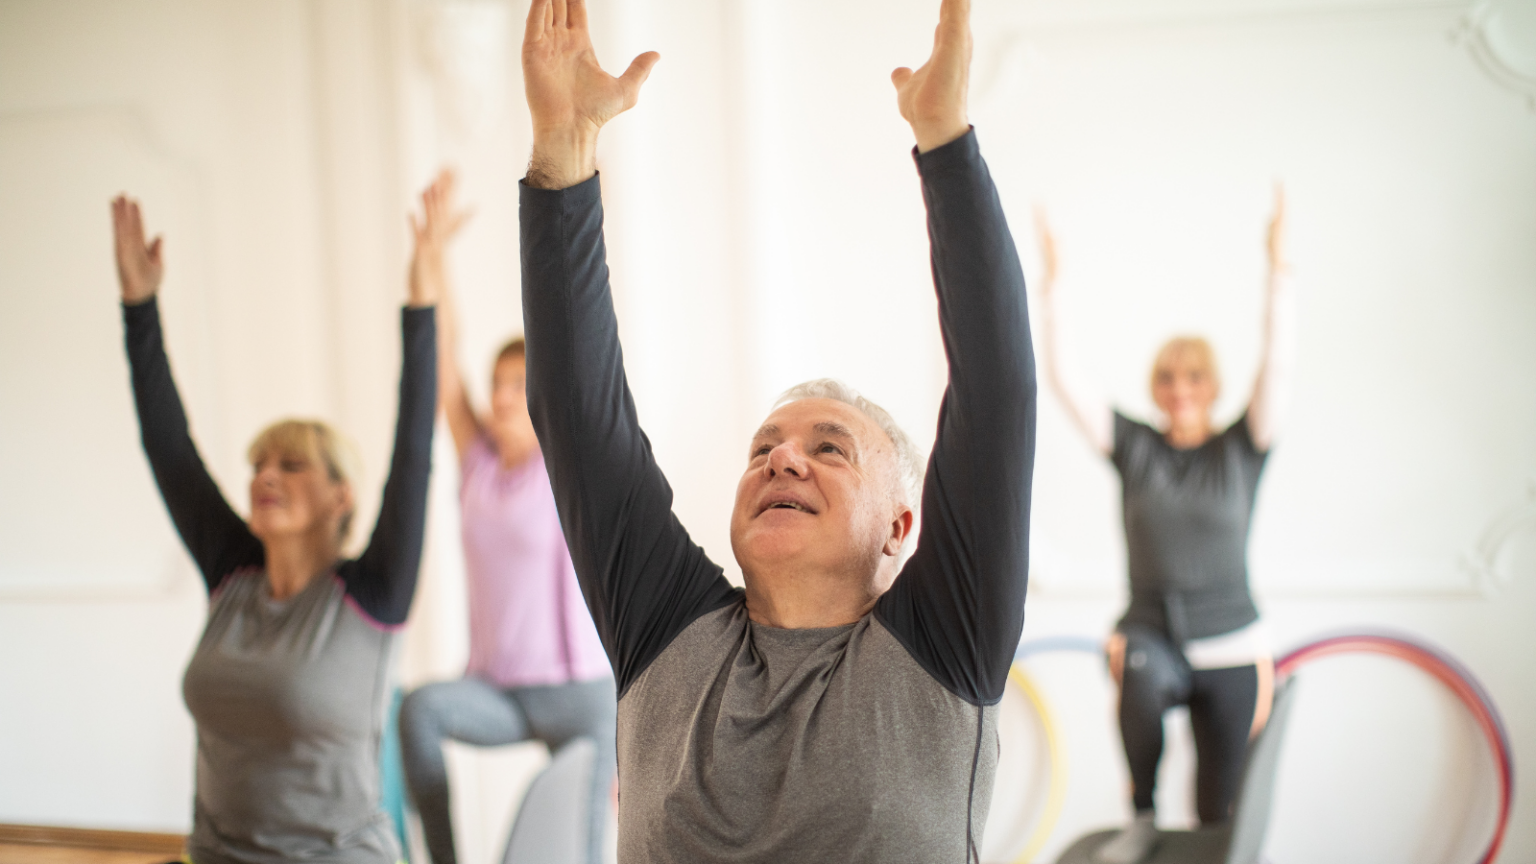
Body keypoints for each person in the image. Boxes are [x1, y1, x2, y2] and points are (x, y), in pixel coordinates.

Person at [516, 0, 1035, 860]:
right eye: (763, 448)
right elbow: (577, 418)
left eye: (829, 448)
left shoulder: (948, 639)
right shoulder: (663, 628)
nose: (782, 457)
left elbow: (998, 394)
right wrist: (563, 154)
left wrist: (945, 144)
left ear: (899, 526)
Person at [110, 193, 435, 864]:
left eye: (291, 465)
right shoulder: (231, 572)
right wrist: (140, 305)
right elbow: (169, 447)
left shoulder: (372, 591)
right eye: (258, 463)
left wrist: (422, 306)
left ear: (341, 495)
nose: (265, 475)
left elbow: (413, 451)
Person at [1036, 190, 1296, 863]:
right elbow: (1064, 379)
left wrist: (1278, 269)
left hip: (1233, 642)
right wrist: (1054, 284)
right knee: (1139, 669)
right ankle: (1143, 817)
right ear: (1156, 387)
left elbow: (1278, 363)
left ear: (1213, 385)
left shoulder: (1244, 446)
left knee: (1220, 816)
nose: (1181, 388)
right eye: (1168, 377)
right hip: (1153, 632)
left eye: (1194, 377)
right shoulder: (1135, 447)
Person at [397, 170, 616, 864]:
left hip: (580, 696)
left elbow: (581, 363)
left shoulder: (566, 463)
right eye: (495, 384)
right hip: (498, 691)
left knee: (580, 853)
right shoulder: (479, 465)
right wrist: (431, 259)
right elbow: (444, 358)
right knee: (420, 710)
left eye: (517, 386)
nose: (498, 398)